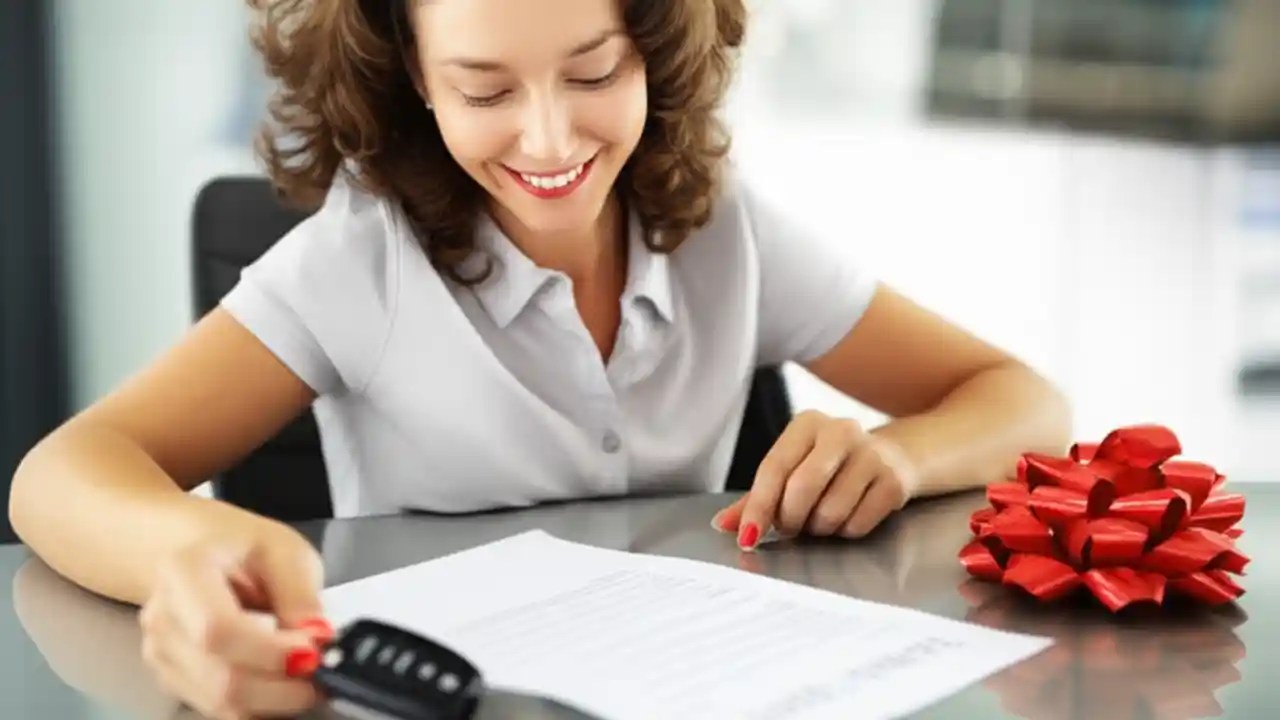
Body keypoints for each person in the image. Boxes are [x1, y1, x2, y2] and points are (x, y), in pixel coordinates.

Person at [9, 0, 1072, 717]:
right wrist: (189, 557)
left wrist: (896, 457)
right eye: (484, 92)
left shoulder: (721, 231)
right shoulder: (360, 261)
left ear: (651, 49)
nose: (552, 141)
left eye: (593, 71)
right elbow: (63, 473)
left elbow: (1023, 402)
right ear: (414, 83)